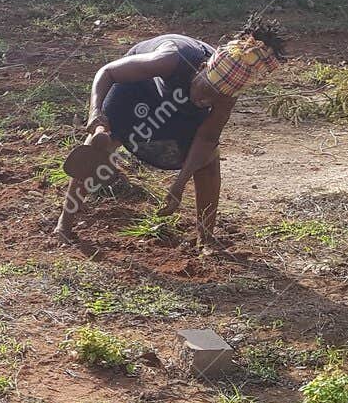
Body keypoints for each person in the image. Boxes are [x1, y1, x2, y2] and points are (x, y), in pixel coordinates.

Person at [56, 20, 289, 252]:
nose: (205, 101)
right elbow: (108, 72)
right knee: (100, 146)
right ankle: (64, 226)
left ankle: (206, 239)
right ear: (201, 69)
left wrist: (179, 184)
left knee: (208, 161)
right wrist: (96, 115)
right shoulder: (171, 58)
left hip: (178, 108)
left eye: (213, 99)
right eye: (205, 90)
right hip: (137, 88)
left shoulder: (226, 96)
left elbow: (207, 139)